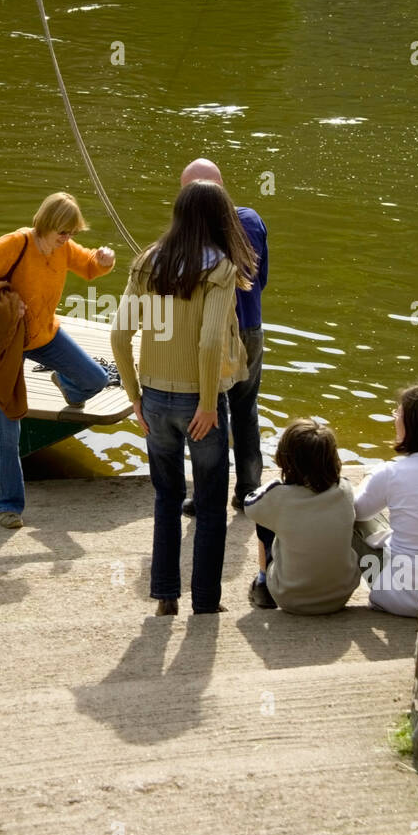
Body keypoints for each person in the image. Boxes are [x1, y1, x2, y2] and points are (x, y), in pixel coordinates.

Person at [111, 181, 255, 616]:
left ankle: (165, 597)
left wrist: (135, 395)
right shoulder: (220, 269)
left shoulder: (148, 264)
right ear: (219, 219)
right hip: (200, 405)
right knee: (210, 504)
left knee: (166, 498)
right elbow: (209, 344)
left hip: (154, 399)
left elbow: (120, 334)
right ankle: (206, 603)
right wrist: (210, 404)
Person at [0, 192, 115, 529]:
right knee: (9, 426)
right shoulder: (14, 244)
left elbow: (90, 266)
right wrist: (7, 300)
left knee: (96, 379)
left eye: (72, 234)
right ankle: (7, 505)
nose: (68, 240)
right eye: (64, 233)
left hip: (44, 335)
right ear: (47, 225)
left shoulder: (62, 249)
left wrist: (104, 260)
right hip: (6, 341)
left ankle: (66, 385)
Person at [178, 159, 268, 515]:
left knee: (209, 413)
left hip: (213, 336)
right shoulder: (251, 220)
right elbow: (261, 279)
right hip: (251, 329)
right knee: (246, 411)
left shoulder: (190, 236)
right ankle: (249, 492)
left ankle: (206, 497)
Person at [243, 419, 361, 614]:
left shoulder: (277, 497)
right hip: (341, 595)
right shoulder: (345, 489)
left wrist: (274, 483)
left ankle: (263, 581)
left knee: (264, 517)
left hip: (291, 598)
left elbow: (250, 505)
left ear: (285, 457)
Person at [352, 384, 418, 617]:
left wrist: (368, 477)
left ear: (411, 424)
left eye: (398, 414)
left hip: (400, 597)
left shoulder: (392, 472)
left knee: (347, 512)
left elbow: (354, 512)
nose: (394, 418)